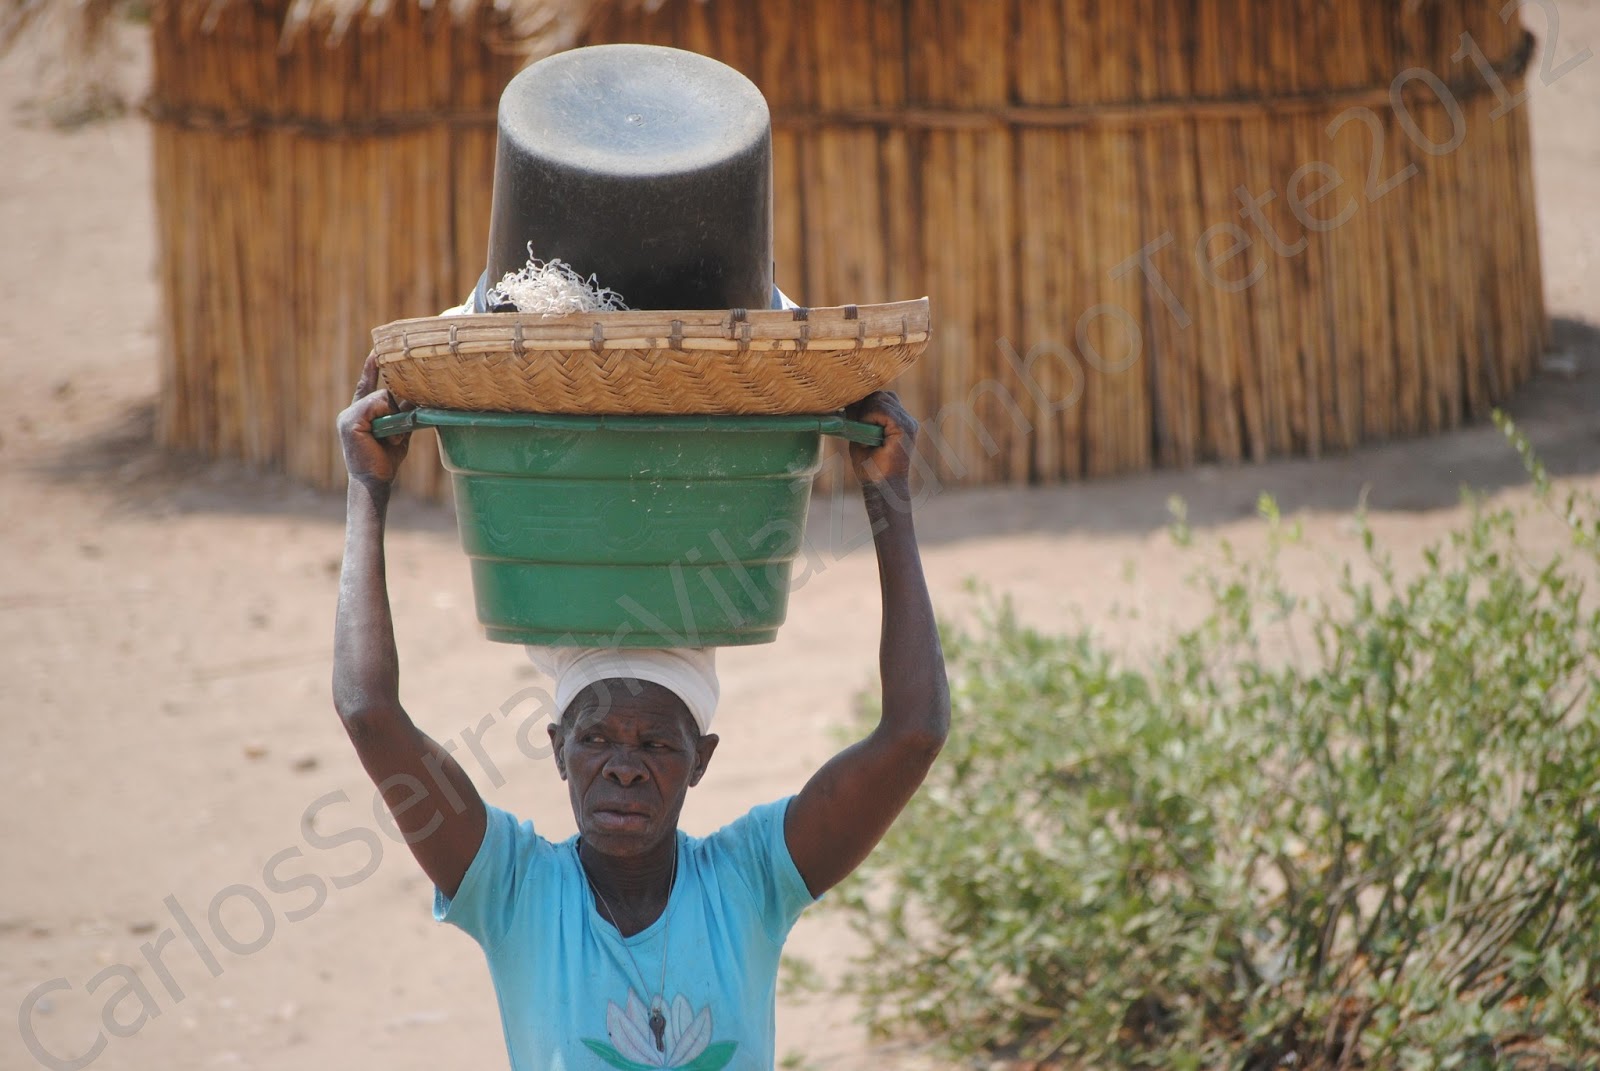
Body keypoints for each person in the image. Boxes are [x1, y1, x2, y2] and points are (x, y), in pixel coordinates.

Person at [332, 354, 949, 1070]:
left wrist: (887, 498)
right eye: (596, 738)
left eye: (657, 744)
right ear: (558, 748)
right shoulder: (515, 890)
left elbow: (915, 733)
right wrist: (367, 488)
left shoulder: (747, 882)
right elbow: (369, 712)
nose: (623, 767)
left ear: (702, 759)